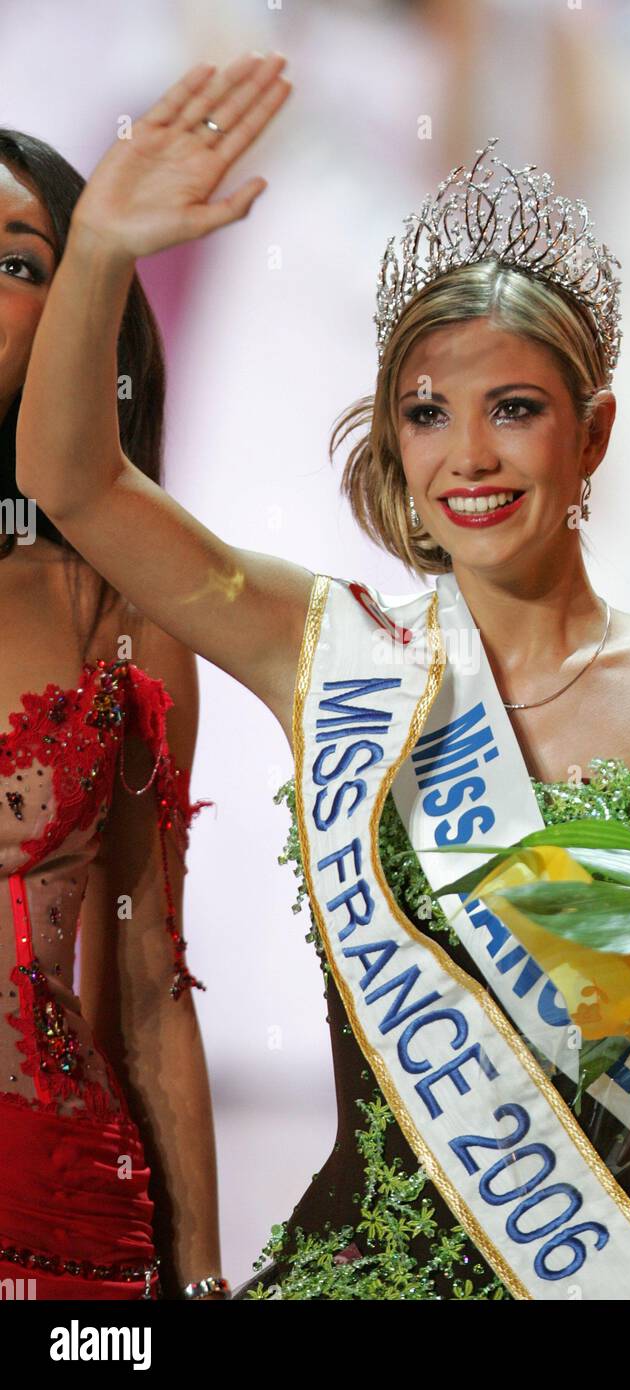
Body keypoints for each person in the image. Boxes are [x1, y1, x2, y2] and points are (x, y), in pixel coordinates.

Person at [14, 51, 630, 1300]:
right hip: (369, 1268)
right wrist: (101, 245)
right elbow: (75, 483)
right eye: (429, 412)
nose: (469, 455)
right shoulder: (324, 647)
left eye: (517, 409)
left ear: (591, 430)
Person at [0, 128, 224, 1300]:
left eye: (20, 261)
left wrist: (198, 1282)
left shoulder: (123, 614)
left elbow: (145, 983)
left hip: (60, 1230)